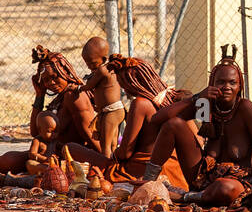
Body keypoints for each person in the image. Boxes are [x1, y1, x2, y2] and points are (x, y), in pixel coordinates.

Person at [141, 45, 252, 207]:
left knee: (224, 188)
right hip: (203, 178)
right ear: (212, 84)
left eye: (232, 82)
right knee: (173, 124)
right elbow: (157, 119)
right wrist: (196, 98)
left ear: (240, 86)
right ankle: (148, 183)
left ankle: (186, 198)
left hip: (236, 184)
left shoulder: (246, 109)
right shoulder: (206, 105)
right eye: (221, 82)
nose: (227, 87)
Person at [63, 56, 189, 189]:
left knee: (71, 147)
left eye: (123, 84)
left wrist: (113, 156)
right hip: (175, 171)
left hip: (140, 171)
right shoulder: (171, 95)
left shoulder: (140, 104)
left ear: (132, 83)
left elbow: (125, 152)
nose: (124, 90)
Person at [0, 46, 98, 174]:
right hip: (49, 153)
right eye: (46, 80)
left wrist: (104, 160)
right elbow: (35, 131)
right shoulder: (60, 98)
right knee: (6, 160)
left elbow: (90, 133)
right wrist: (40, 95)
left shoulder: (74, 96)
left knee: (8, 162)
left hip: (68, 156)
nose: (51, 83)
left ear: (66, 73)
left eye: (55, 77)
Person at [80, 37, 124, 158]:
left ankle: (106, 166)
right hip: (113, 110)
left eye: (92, 63)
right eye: (87, 63)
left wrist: (78, 88)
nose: (89, 66)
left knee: (105, 142)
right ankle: (114, 161)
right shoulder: (107, 68)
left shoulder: (102, 70)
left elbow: (89, 86)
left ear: (104, 59)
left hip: (112, 111)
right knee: (113, 142)